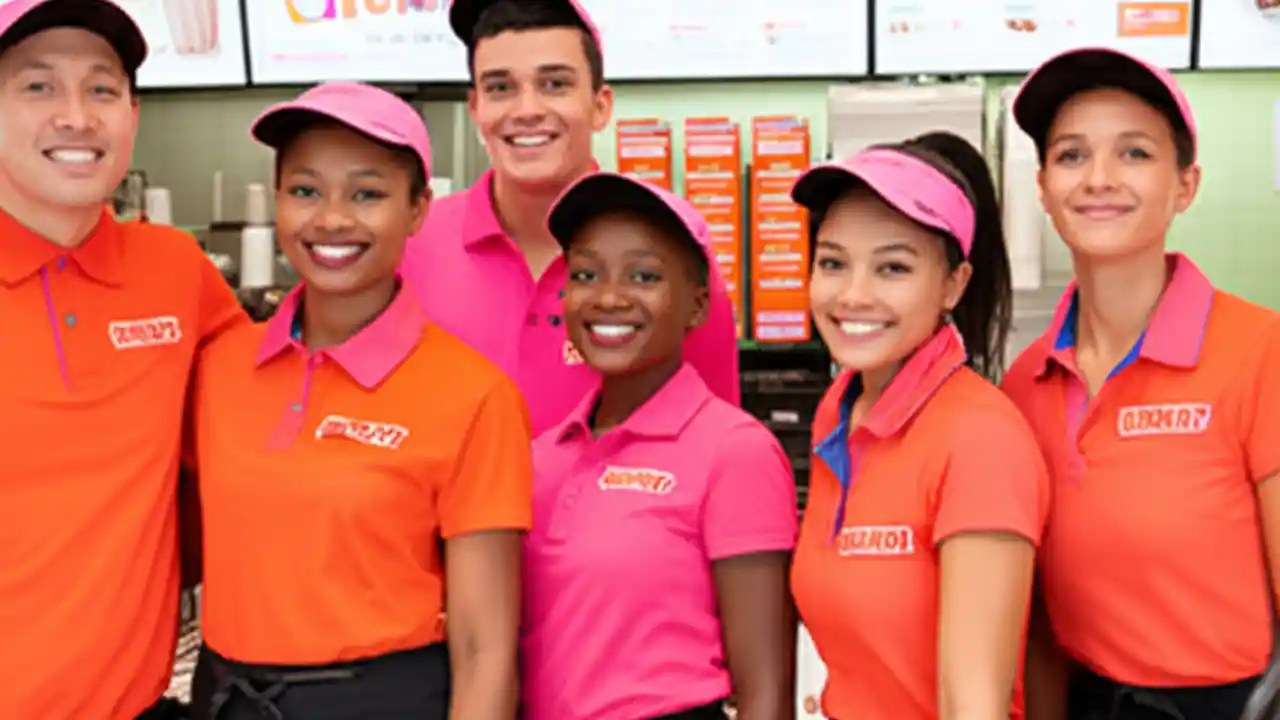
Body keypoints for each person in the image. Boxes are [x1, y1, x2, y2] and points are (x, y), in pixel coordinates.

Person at [188, 81, 533, 720]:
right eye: (305, 190)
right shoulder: (219, 367)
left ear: (418, 209)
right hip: (228, 699)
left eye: (368, 194)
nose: (332, 220)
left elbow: (485, 646)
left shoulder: (473, 396)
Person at [1002, 47, 1280, 720]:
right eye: (1071, 155)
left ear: (1186, 185)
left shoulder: (1261, 352)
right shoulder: (1023, 383)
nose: (1099, 178)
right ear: (1042, 187)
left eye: (1134, 154)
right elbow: (1035, 618)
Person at [0, 1, 246, 717]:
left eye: (101, 88)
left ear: (134, 115)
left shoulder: (175, 271)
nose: (76, 116)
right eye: (38, 86)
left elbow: (263, 420)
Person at [788, 132, 1052, 720]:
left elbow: (973, 708)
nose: (853, 295)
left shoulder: (980, 440)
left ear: (953, 285)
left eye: (893, 268)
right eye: (833, 263)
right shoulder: (839, 410)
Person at [518, 171, 799, 720]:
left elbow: (766, 692)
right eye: (585, 274)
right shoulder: (540, 457)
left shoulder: (734, 451)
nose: (609, 297)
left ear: (696, 306)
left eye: (643, 276)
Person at [400, 0, 740, 435]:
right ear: (475, 110)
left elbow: (718, 437)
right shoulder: (413, 243)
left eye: (555, 84)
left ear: (600, 106)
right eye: (500, 87)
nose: (526, 109)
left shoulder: (671, 243)